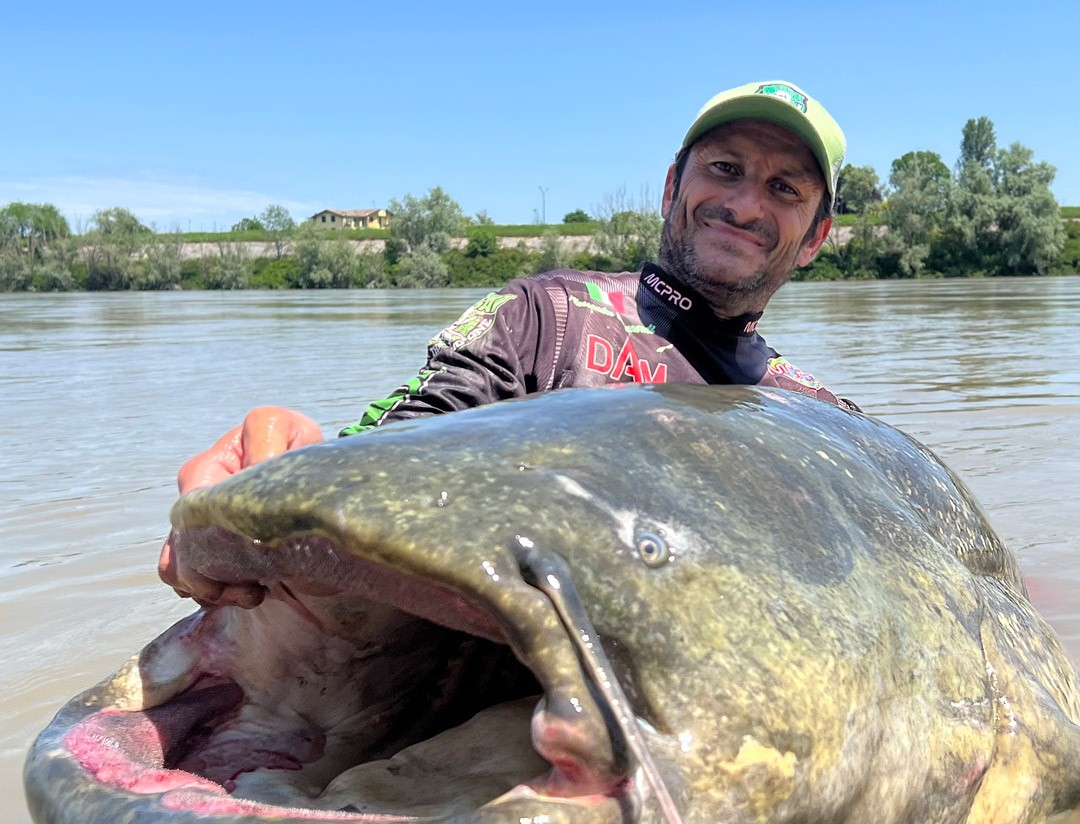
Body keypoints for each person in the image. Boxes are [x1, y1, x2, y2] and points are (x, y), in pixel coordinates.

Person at [161, 79, 852, 607]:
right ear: (673, 185)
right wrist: (291, 471)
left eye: (784, 187)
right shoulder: (545, 318)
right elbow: (399, 449)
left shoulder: (825, 424)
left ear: (816, 236)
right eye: (725, 169)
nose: (746, 203)